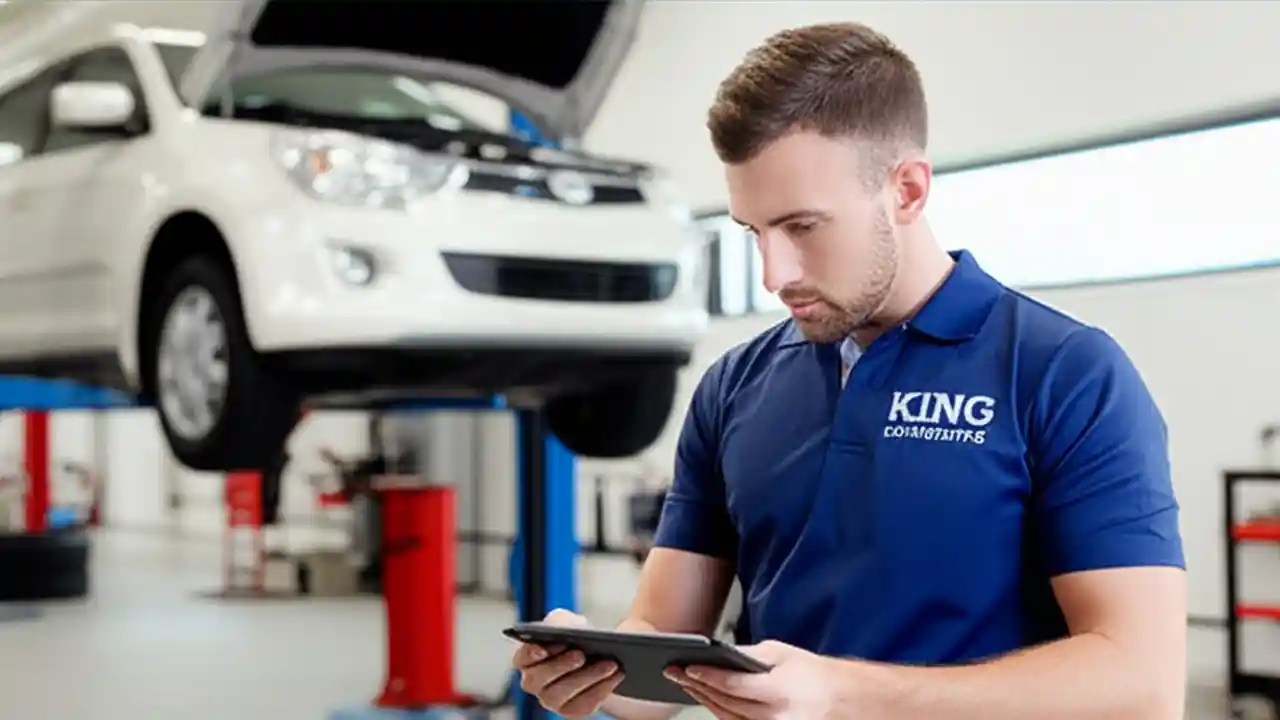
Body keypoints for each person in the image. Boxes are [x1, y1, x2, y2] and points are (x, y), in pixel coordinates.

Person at [512, 21, 1187, 720]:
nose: (774, 275)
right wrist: (602, 671)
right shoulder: (733, 386)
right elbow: (660, 646)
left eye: (803, 227)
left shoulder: (1064, 373)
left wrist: (840, 693)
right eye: (754, 233)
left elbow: (1141, 685)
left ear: (908, 191)